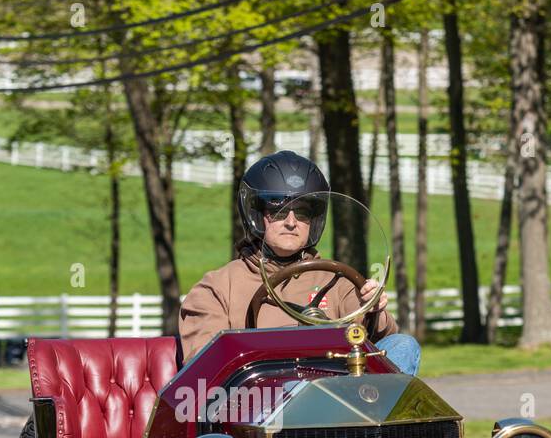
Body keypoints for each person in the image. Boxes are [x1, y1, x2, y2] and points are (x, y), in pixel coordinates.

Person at [179, 150, 421, 374]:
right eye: (279, 211)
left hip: (336, 397)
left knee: (404, 345)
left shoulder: (336, 280)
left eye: (303, 212)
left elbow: (375, 342)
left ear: (314, 220)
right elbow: (206, 370)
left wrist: (375, 309)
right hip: (263, 400)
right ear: (256, 214)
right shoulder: (219, 287)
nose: (291, 222)